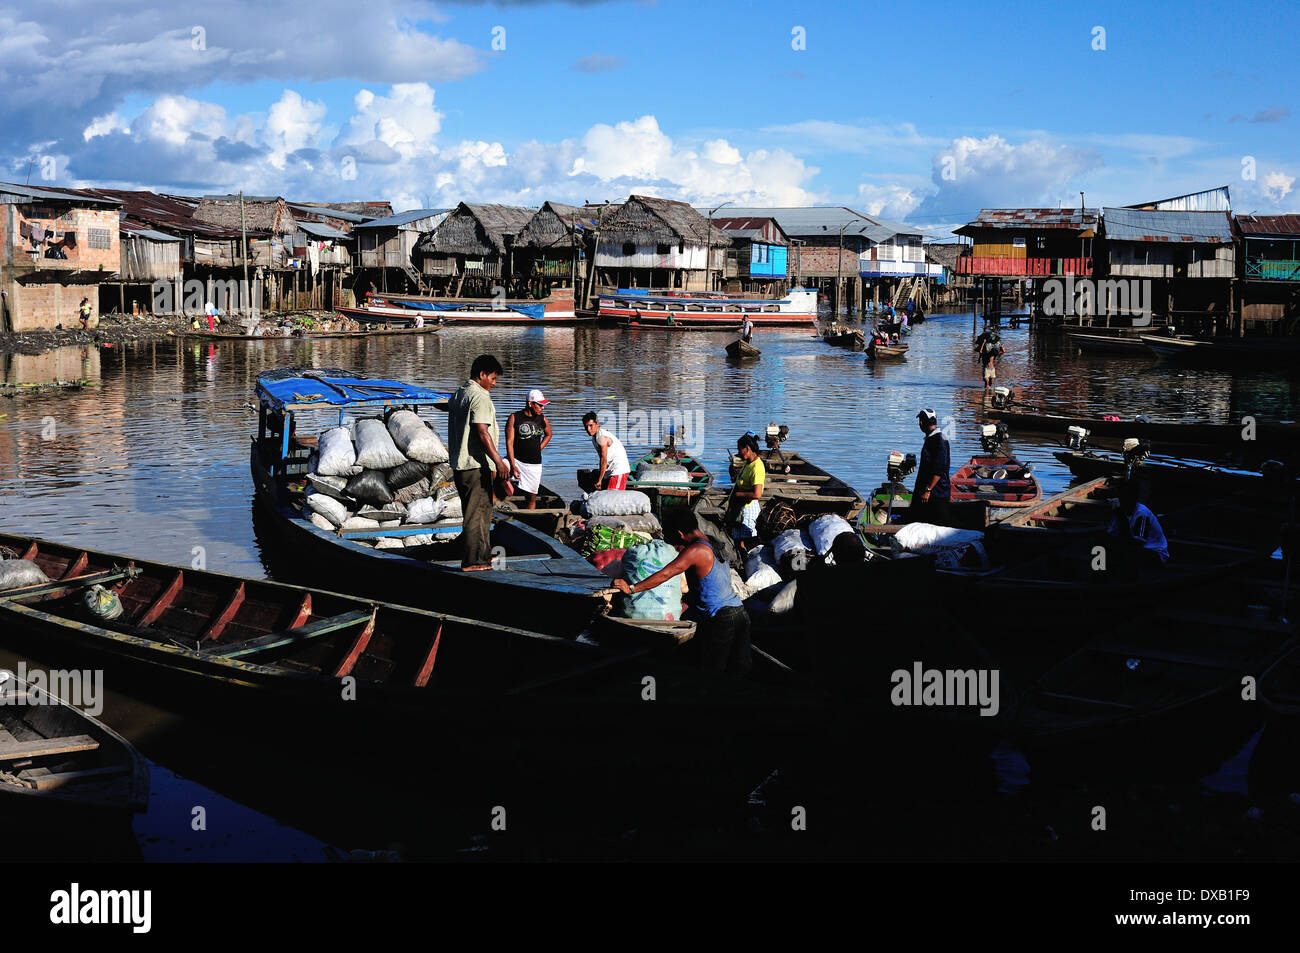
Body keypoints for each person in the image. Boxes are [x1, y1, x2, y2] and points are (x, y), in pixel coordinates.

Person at [613, 507, 752, 677]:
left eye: (670, 539)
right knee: (738, 669)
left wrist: (632, 588)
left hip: (721, 617)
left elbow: (666, 573)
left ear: (679, 534)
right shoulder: (713, 542)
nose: (671, 545)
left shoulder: (696, 550)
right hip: (738, 611)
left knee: (712, 672)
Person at [447, 355, 516, 571]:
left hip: (462, 465)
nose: (494, 384)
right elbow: (482, 431)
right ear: (482, 375)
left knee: (482, 511)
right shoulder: (480, 397)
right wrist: (499, 462)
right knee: (476, 514)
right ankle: (473, 561)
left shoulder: (459, 393)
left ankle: (483, 557)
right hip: (475, 466)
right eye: (493, 378)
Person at [1106, 481, 1169, 570]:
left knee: (1130, 553)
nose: (1124, 500)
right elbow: (1111, 534)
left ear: (1134, 498)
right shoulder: (1120, 511)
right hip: (1135, 548)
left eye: (1127, 497)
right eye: (1122, 497)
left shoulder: (1142, 513)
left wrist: (1121, 519)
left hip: (1154, 552)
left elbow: (1137, 543)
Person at [506, 389, 552, 510]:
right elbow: (509, 442)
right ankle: (495, 501)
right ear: (530, 404)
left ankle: (530, 517)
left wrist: (539, 448)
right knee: (496, 471)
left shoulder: (542, 419)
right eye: (540, 405)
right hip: (516, 459)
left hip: (534, 464)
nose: (542, 408)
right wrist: (512, 464)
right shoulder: (515, 417)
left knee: (532, 497)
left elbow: (549, 435)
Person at [911, 409, 951, 526]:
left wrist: (928, 490)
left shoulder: (939, 440)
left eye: (921, 421)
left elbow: (938, 470)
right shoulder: (930, 438)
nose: (920, 424)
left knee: (937, 526)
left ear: (923, 422)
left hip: (936, 493)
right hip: (927, 490)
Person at [727, 433, 765, 546]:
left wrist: (738, 494)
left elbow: (757, 494)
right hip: (740, 508)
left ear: (747, 448)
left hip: (748, 511)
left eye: (740, 449)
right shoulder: (748, 463)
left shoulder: (757, 467)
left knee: (747, 542)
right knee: (739, 542)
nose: (738, 452)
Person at [583, 411, 631, 490]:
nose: (588, 429)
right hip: (610, 470)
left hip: (618, 470)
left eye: (591, 426)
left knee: (613, 498)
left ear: (597, 424)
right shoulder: (594, 438)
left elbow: (603, 459)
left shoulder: (601, 437)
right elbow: (603, 459)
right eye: (586, 427)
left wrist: (600, 481)